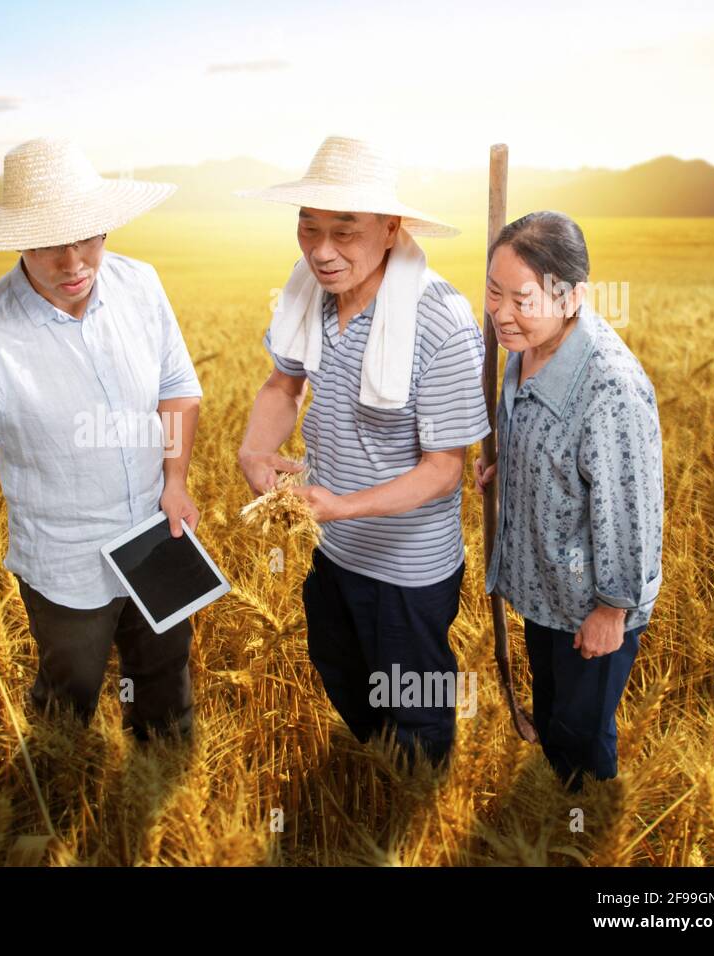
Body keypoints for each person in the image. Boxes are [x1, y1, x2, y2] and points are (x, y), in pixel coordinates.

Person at [0, 137, 204, 743]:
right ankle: (57, 806)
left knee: (168, 679)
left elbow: (176, 386)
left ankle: (161, 806)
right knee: (68, 704)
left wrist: (175, 482)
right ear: (17, 240)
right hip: (66, 563)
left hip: (158, 532)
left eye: (87, 237)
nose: (73, 263)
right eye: (48, 243)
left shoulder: (141, 284)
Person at [237, 136, 489, 768]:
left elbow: (444, 470)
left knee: (416, 703)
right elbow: (283, 384)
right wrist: (255, 448)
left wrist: (343, 507)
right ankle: (380, 777)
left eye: (344, 233)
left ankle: (418, 809)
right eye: (309, 229)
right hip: (333, 546)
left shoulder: (440, 321)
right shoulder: (309, 293)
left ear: (390, 229)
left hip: (407, 567)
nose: (322, 252)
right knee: (343, 674)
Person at [475, 210, 663, 791]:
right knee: (554, 714)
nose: (501, 314)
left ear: (573, 296)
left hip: (590, 605)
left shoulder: (612, 391)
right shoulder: (524, 346)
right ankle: (561, 804)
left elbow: (632, 511)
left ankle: (587, 827)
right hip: (540, 586)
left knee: (581, 735)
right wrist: (512, 464)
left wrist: (612, 609)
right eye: (493, 292)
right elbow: (557, 448)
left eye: (521, 299)